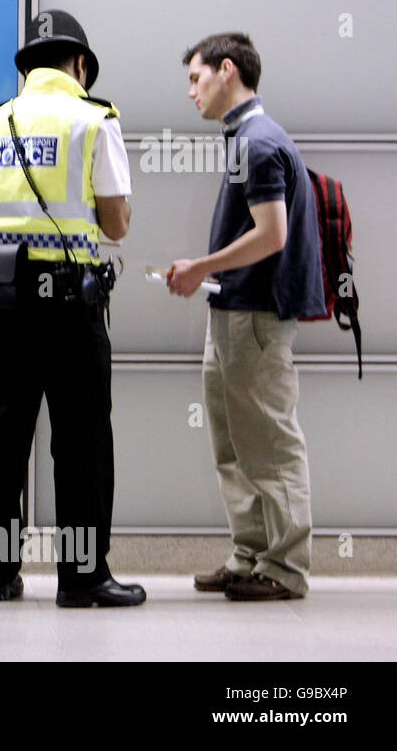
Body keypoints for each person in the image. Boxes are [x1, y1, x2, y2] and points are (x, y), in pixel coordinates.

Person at [0, 9, 144, 607]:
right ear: (81, 66)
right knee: (82, 438)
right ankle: (83, 578)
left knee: (6, 429)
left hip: (8, 300)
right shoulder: (94, 120)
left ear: (27, 69)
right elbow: (115, 224)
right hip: (72, 302)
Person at [170, 33, 324, 601]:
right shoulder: (245, 140)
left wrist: (199, 266)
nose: (191, 91)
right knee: (234, 443)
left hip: (256, 318)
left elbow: (271, 234)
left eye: (196, 77)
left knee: (271, 445)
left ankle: (284, 568)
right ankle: (251, 555)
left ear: (226, 70)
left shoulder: (257, 144)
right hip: (233, 311)